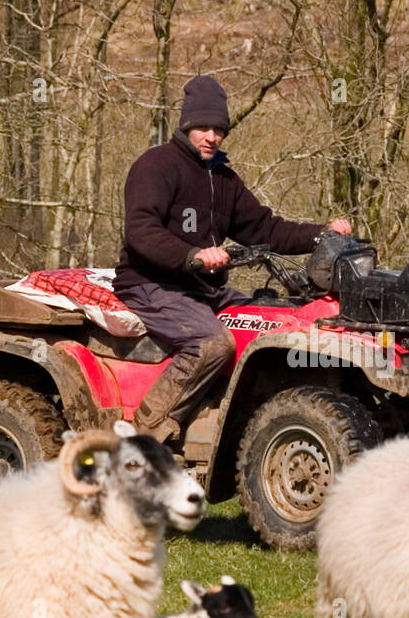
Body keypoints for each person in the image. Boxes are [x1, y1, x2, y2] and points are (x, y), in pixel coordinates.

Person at [114, 75, 352, 443]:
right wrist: (193, 256)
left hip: (203, 290)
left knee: (271, 322)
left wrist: (323, 234)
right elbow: (141, 231)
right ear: (186, 125)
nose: (212, 137)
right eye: (204, 128)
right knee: (212, 343)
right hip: (152, 285)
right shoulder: (156, 165)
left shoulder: (223, 179)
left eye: (219, 130)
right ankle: (143, 433)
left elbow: (265, 229)